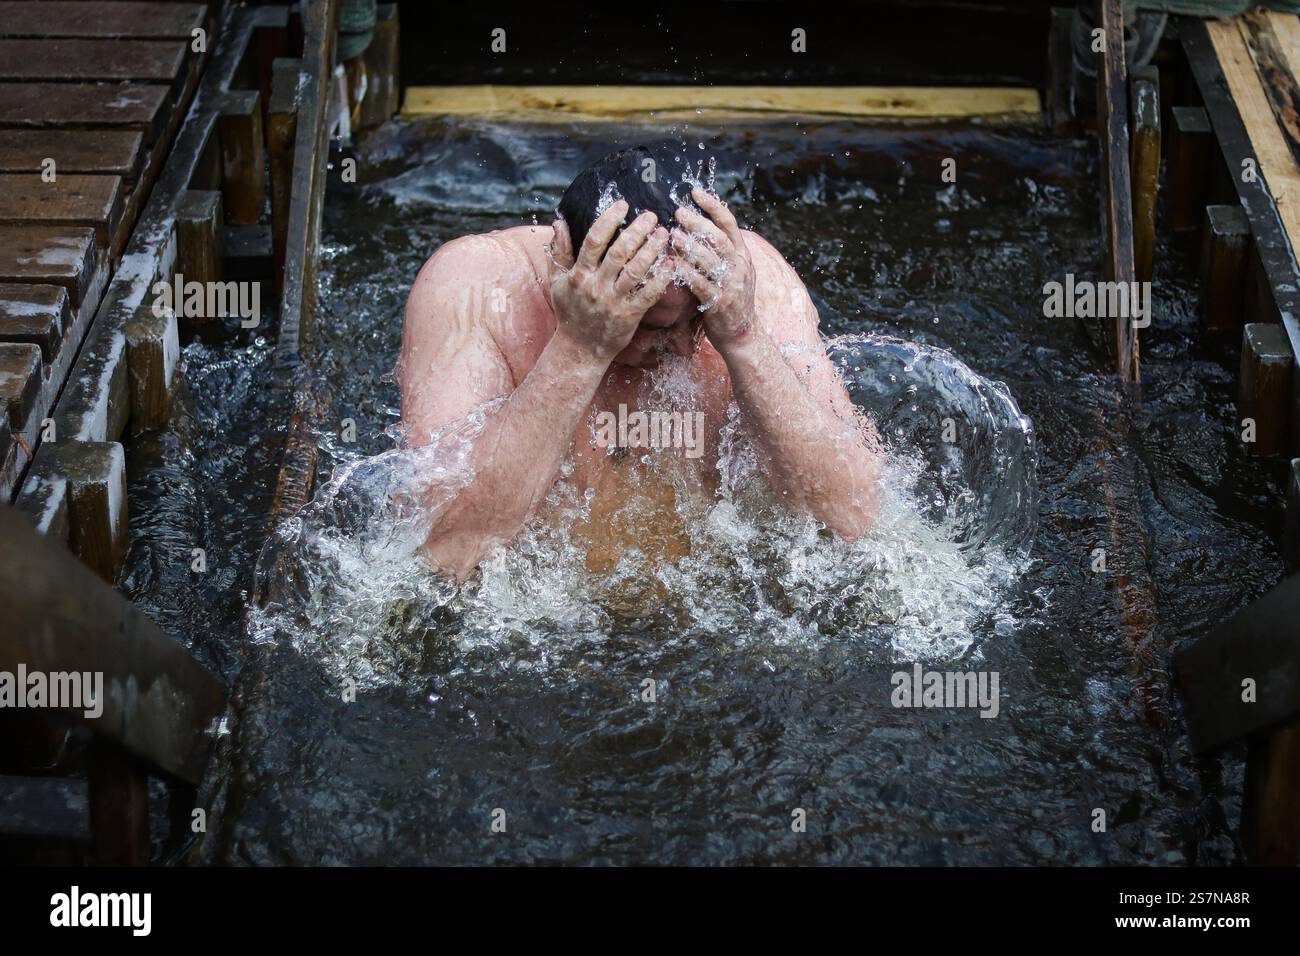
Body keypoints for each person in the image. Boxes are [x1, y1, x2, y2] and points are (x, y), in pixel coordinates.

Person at [398, 144, 882, 580]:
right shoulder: (477, 287)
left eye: (699, 323)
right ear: (569, 278)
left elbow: (854, 522)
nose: (685, 350)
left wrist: (741, 336)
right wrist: (581, 347)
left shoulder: (745, 279)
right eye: (652, 326)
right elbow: (446, 554)